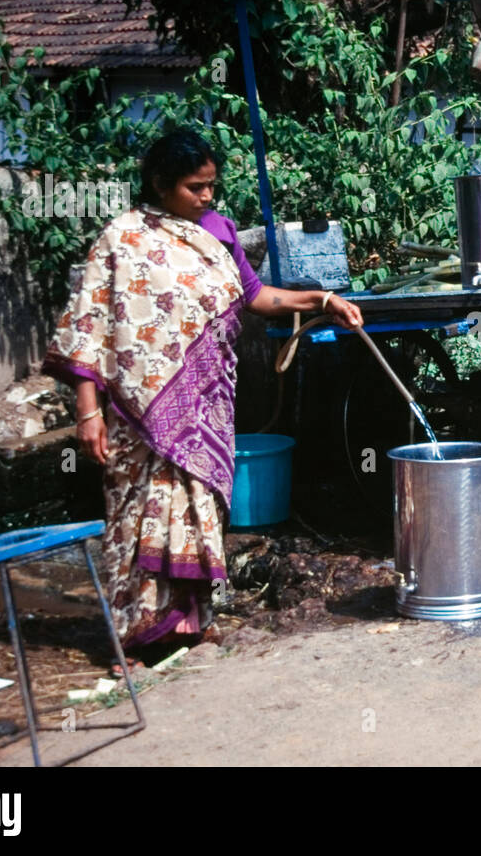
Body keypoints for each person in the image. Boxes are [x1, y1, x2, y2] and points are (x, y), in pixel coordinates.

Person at [42, 129, 364, 673]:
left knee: (198, 509)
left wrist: (324, 299)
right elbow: (87, 328)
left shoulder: (216, 233)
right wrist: (87, 411)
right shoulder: (122, 238)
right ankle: (136, 635)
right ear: (160, 185)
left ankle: (190, 623)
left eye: (212, 186)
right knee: (139, 515)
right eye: (195, 188)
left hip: (205, 405)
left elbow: (258, 297)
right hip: (136, 416)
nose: (207, 198)